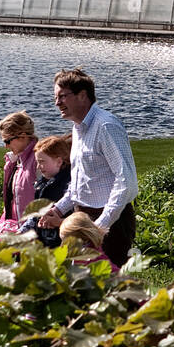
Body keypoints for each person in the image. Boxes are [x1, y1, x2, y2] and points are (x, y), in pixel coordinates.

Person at [37, 68, 138, 267]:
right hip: (81, 217)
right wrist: (58, 209)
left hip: (112, 222)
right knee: (82, 284)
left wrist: (101, 225)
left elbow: (126, 181)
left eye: (62, 97)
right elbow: (80, 182)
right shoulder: (79, 128)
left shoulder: (106, 126)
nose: (57, 103)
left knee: (111, 287)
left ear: (82, 95)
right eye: (56, 97)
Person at [0, 111, 38, 246]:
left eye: (7, 141)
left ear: (23, 136)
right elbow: (13, 200)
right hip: (18, 232)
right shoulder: (16, 161)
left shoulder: (39, 160)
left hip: (34, 236)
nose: (5, 146)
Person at [33, 133, 73, 203]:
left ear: (59, 162)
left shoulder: (66, 188)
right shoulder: (43, 183)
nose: (38, 167)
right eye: (37, 162)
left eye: (42, 161)